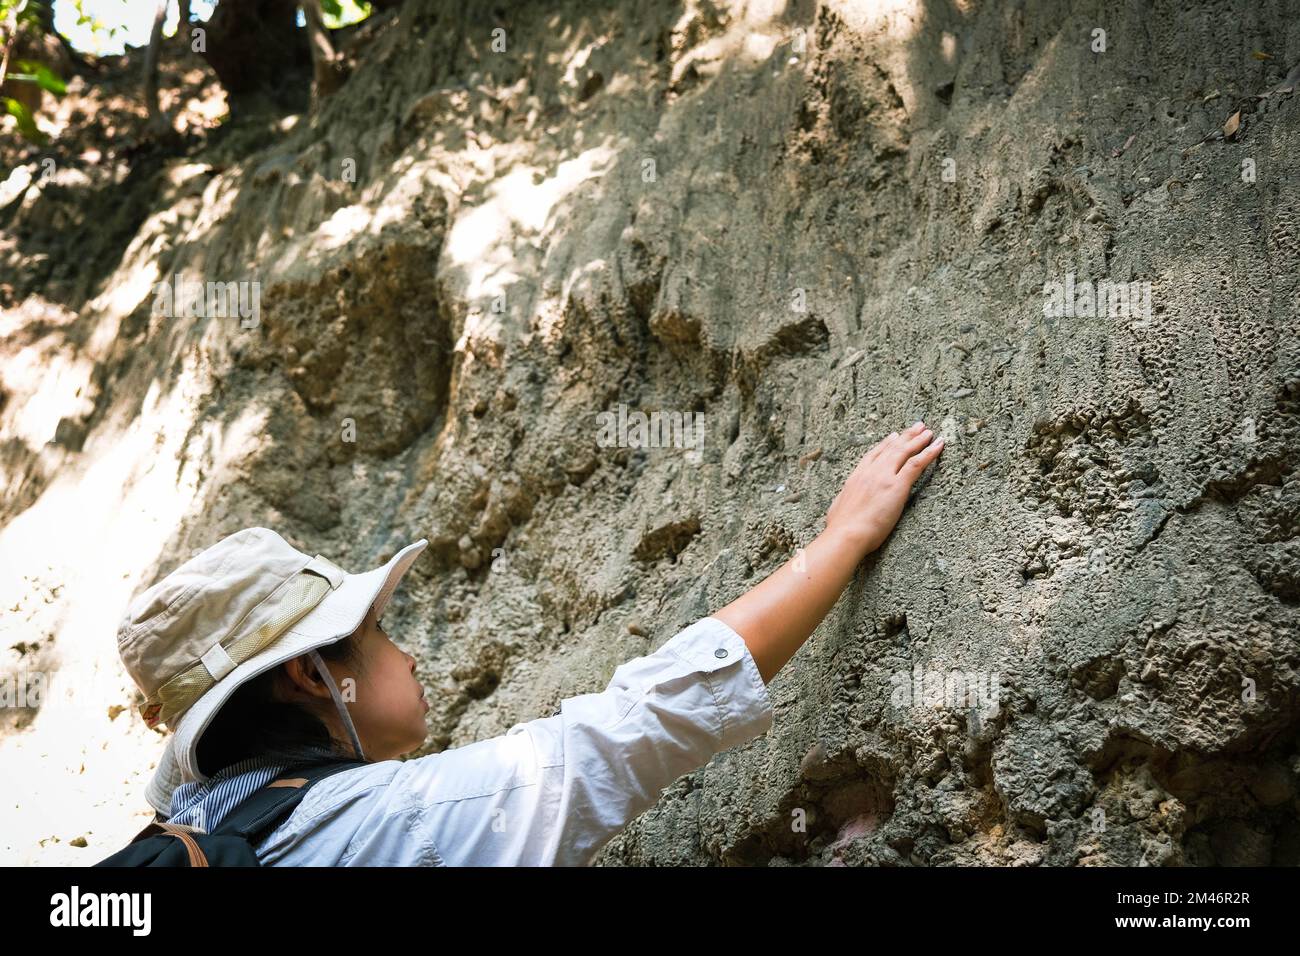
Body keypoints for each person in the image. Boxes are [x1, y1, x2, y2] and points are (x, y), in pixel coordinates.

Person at [117, 421, 944, 865]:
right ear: (310, 676)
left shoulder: (198, 837)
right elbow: (631, 729)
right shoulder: (386, 828)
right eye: (378, 632)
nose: (408, 655)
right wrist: (840, 542)